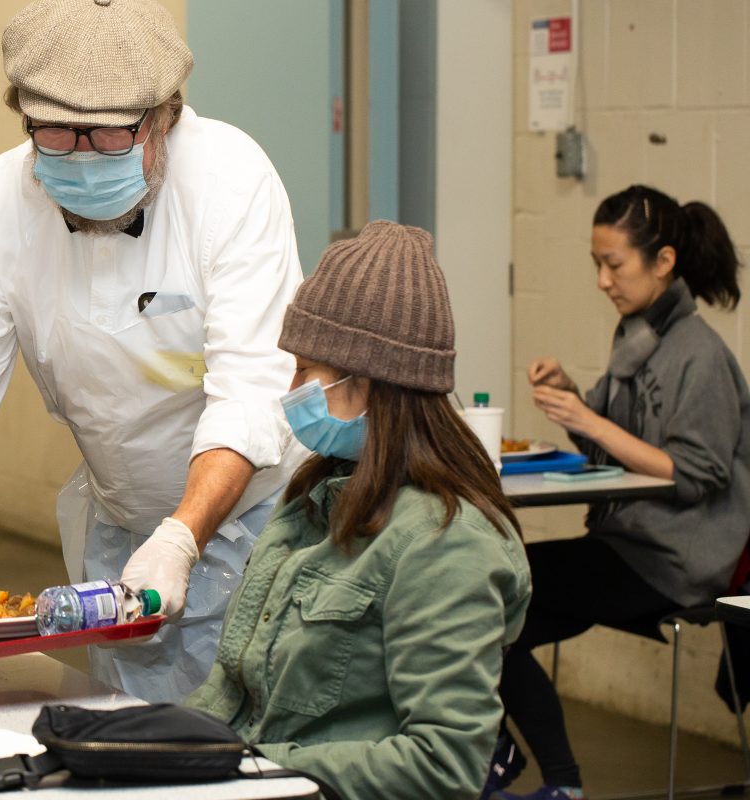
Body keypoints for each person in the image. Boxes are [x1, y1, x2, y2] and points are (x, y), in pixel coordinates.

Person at [0, 0, 307, 702]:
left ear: (165, 117)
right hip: (120, 522)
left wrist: (180, 539)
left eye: (109, 137)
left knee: (255, 740)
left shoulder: (231, 181)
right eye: (53, 132)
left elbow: (249, 394)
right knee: (130, 735)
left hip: (255, 517)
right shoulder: (0, 200)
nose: (80, 156)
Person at [185, 221, 532, 800]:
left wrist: (248, 774)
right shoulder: (314, 497)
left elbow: (443, 765)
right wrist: (151, 753)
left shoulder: (447, 543)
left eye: (303, 370)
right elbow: (233, 691)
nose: (290, 387)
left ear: (367, 381)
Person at [491, 185, 750, 800]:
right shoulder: (637, 336)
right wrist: (572, 398)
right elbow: (613, 449)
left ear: (663, 262)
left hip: (672, 560)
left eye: (615, 264)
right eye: (596, 264)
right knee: (490, 603)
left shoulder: (701, 355)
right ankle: (520, 764)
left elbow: (695, 472)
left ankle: (556, 779)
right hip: (624, 543)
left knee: (486, 599)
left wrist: (589, 420)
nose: (603, 279)